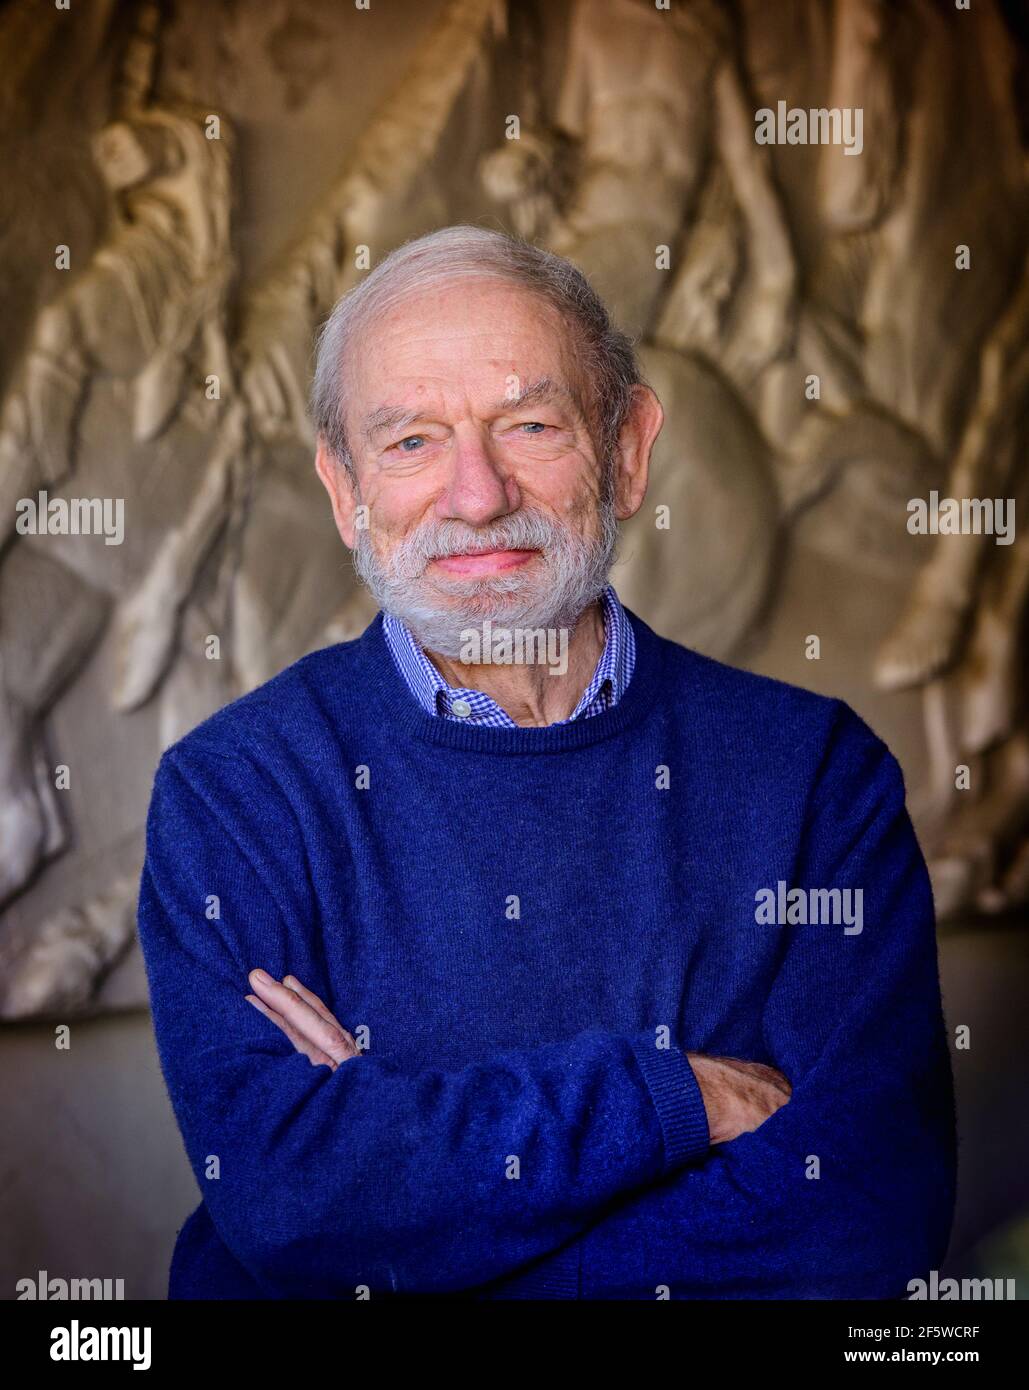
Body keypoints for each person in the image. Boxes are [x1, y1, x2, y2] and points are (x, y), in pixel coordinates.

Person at [137, 225, 956, 1299]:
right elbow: (290, 1205)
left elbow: (864, 1218)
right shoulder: (235, 795)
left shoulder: (815, 778)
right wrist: (679, 1100)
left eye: (529, 424)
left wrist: (411, 1177)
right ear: (344, 490)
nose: (477, 496)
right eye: (412, 441)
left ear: (625, 449)